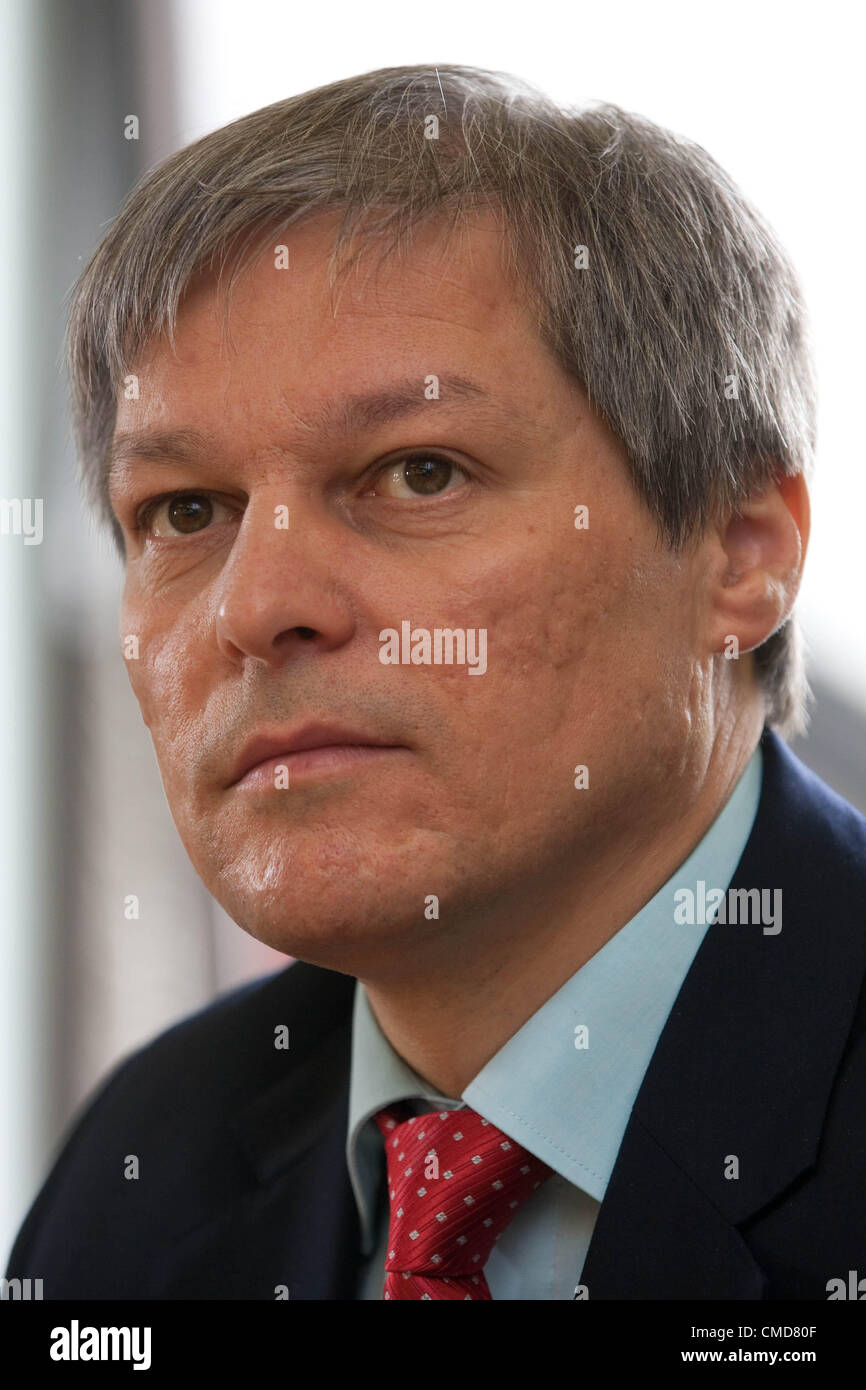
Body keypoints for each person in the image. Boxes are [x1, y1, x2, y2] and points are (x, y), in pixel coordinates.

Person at [6, 63, 866, 1301]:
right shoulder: (141, 1171)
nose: (255, 606)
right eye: (184, 509)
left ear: (740, 552)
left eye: (416, 474)